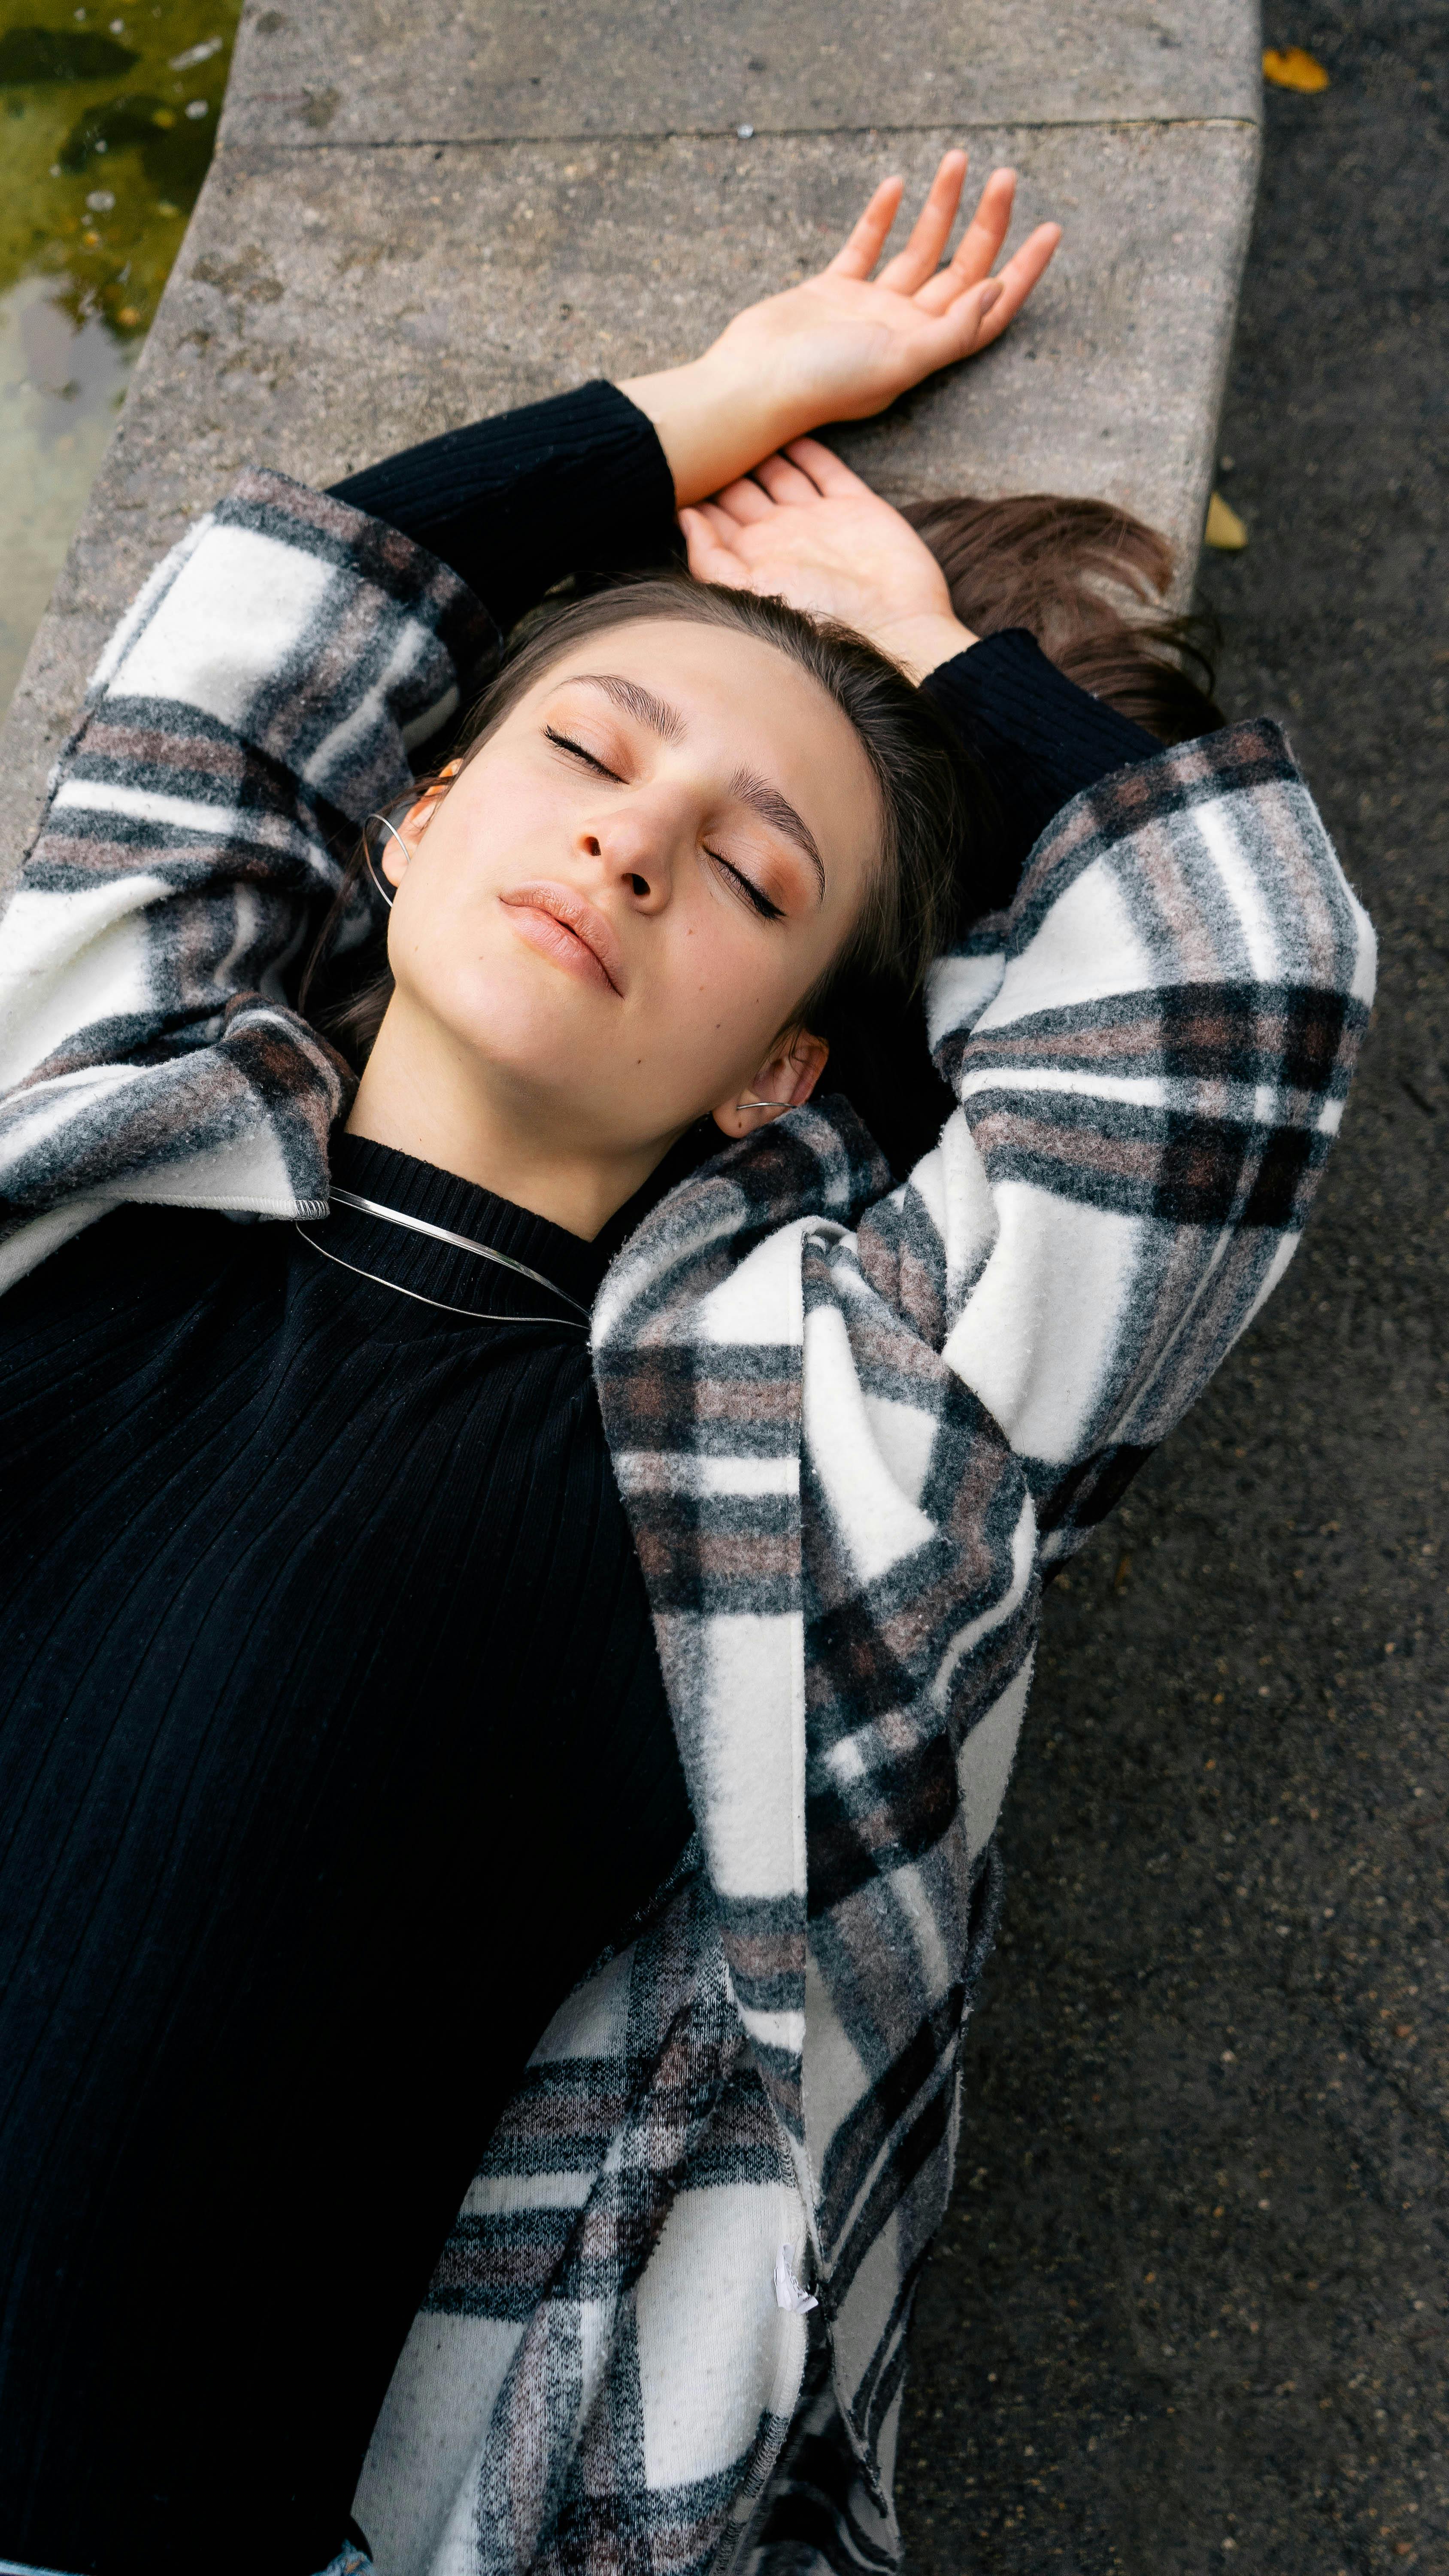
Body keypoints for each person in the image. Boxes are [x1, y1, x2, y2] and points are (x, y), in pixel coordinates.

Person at [0, 155, 1373, 2576]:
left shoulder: (771, 1452)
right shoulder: (109, 1124)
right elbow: (251, 641)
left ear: (780, 1080)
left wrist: (930, 648)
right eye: (584, 760)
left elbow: (1227, 1003)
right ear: (409, 820)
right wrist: (718, 406)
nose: (635, 850)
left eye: (752, 882)